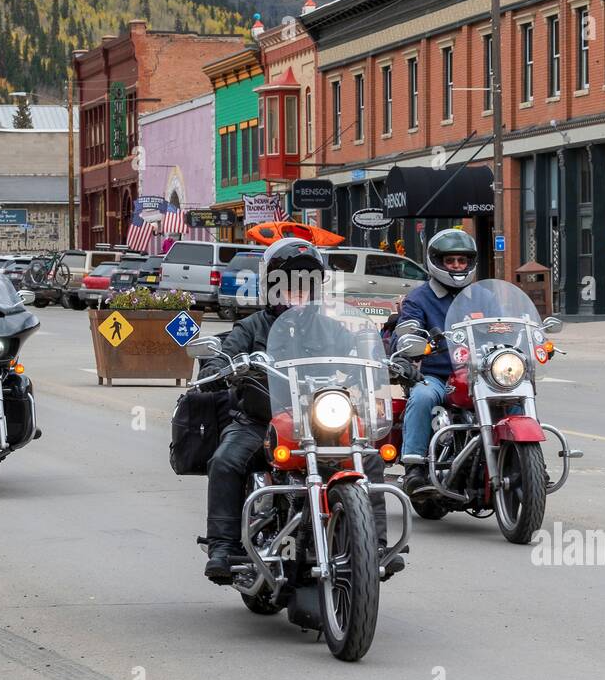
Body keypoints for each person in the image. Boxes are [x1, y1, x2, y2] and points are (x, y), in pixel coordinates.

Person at [198, 237, 394, 584]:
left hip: (321, 421)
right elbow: (225, 354)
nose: (297, 290)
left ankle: (373, 546)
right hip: (262, 421)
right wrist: (217, 367)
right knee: (226, 460)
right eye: (288, 281)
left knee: (371, 457)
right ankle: (224, 547)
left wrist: (387, 364)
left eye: (306, 281)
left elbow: (359, 361)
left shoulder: (333, 329)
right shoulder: (252, 327)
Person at [394, 228, 478, 497]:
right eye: (450, 261)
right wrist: (410, 350)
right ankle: (414, 468)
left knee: (513, 394)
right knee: (421, 397)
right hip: (439, 377)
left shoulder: (481, 295)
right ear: (437, 262)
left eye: (461, 261)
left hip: (479, 376)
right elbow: (407, 332)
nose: (456, 266)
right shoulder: (419, 298)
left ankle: (530, 459)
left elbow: (501, 324)